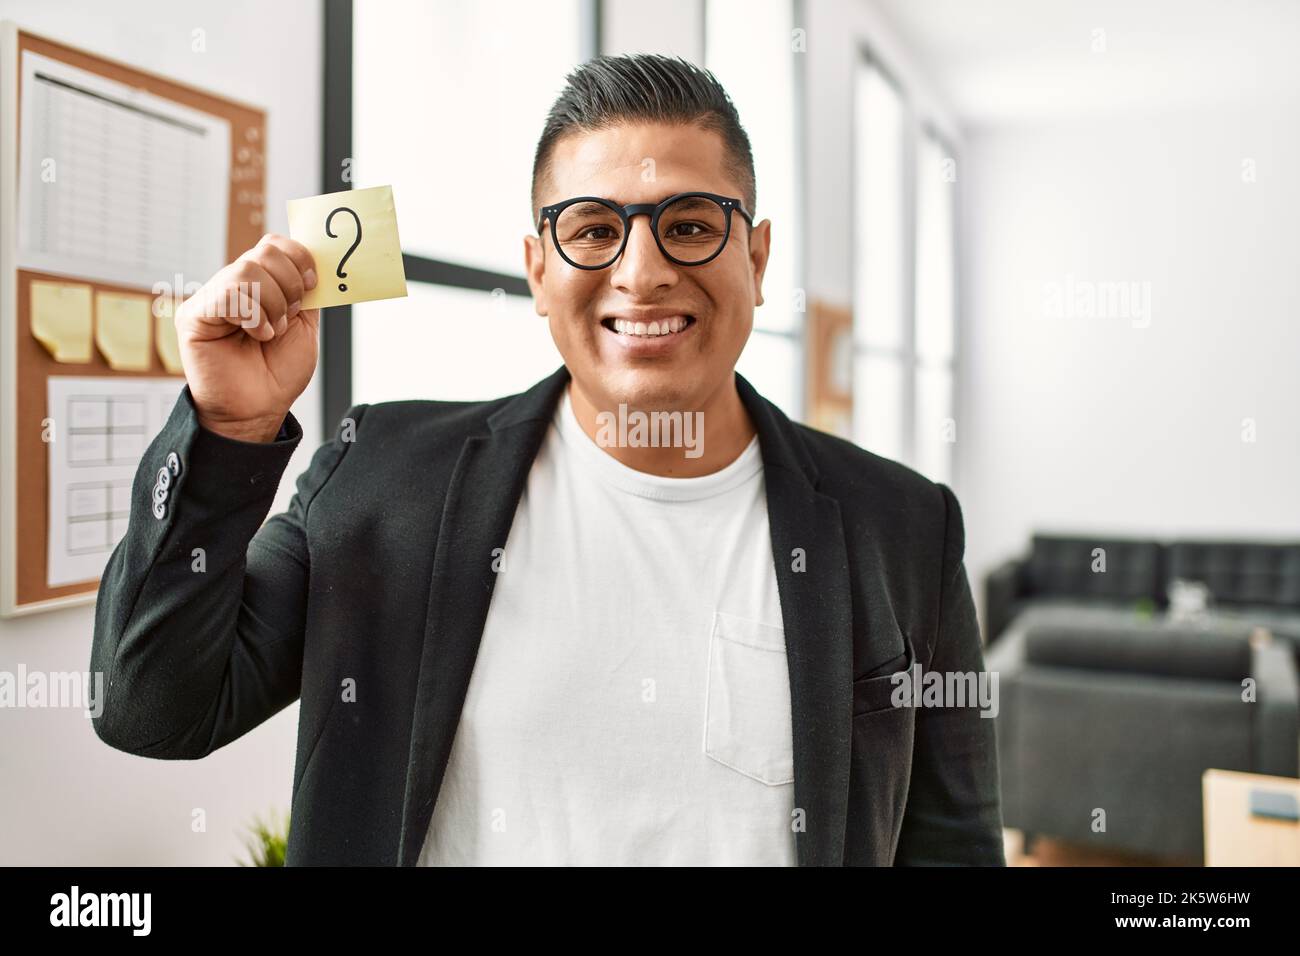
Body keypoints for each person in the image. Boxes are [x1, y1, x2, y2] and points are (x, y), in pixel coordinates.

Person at [90, 53, 1004, 866]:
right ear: (537, 270)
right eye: (594, 228)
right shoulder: (381, 475)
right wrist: (227, 429)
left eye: (689, 224)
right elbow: (152, 707)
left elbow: (953, 846)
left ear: (757, 259)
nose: (642, 272)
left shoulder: (906, 528)